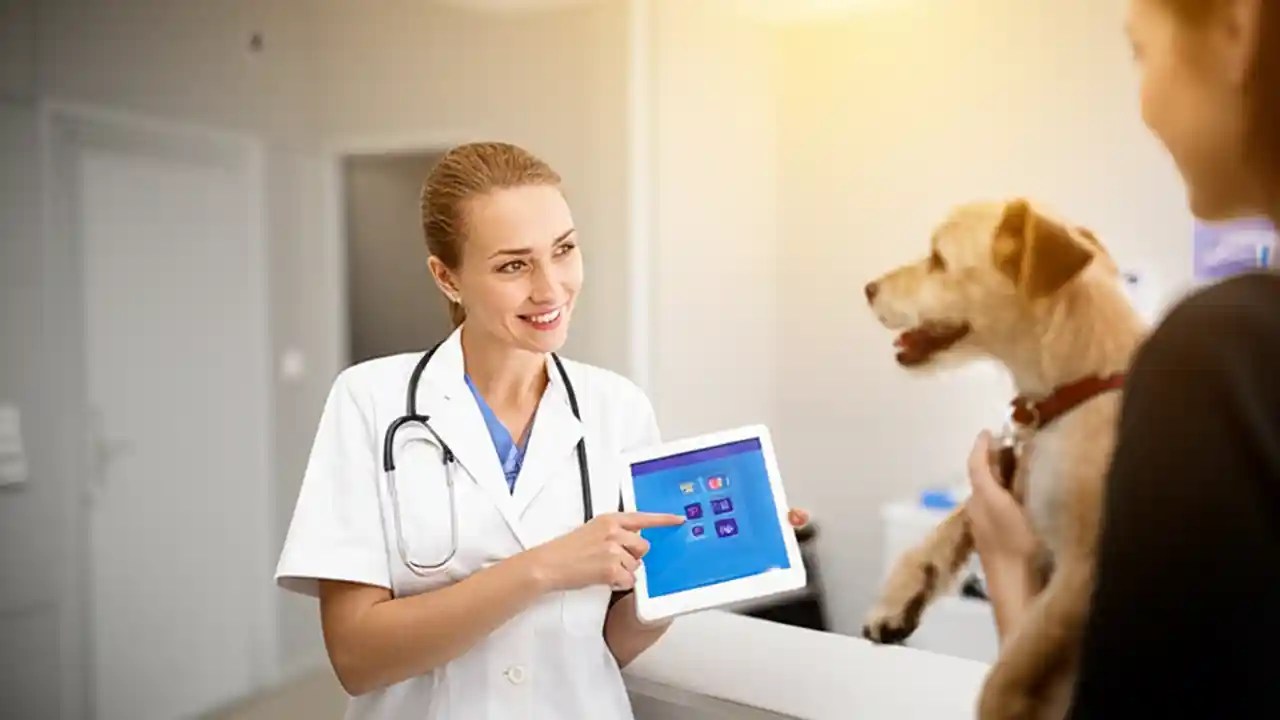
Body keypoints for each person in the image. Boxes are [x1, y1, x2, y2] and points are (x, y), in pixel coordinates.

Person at [275, 141, 809, 719]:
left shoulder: (617, 408)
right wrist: (542, 569)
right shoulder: (370, 401)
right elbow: (358, 658)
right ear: (446, 277)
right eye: (513, 265)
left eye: (564, 250)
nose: (550, 288)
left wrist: (702, 566)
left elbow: (603, 647)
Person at [966, 0, 1280, 716]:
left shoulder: (1223, 356)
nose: (1144, 107)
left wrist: (1009, 569)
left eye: (1141, 53)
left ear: (1237, 30)